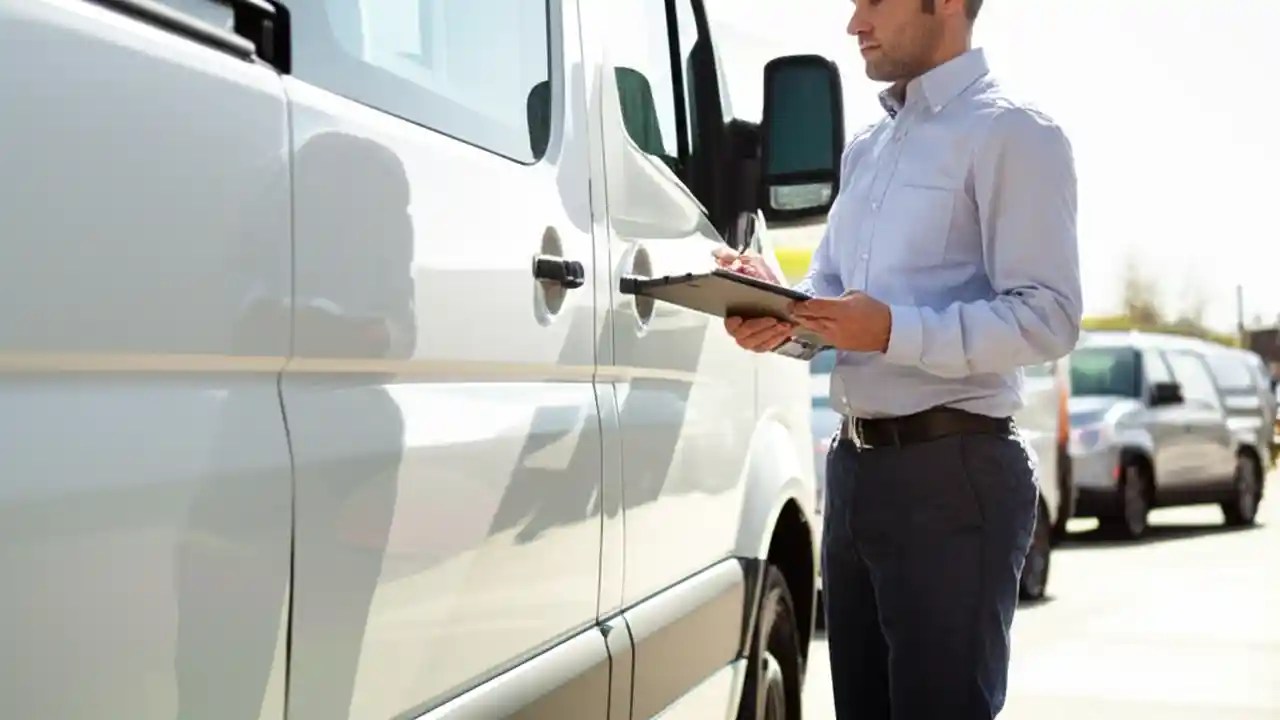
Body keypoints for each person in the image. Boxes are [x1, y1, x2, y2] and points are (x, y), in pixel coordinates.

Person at [718, 0, 1082, 717]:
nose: (855, 23)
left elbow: (1049, 318)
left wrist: (889, 330)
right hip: (855, 475)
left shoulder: (1013, 133)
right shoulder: (867, 150)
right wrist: (778, 314)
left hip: (954, 477)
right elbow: (831, 301)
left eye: (872, 1)